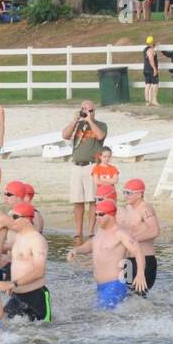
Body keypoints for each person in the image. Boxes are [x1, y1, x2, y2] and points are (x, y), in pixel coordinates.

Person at [67, 199, 146, 309]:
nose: (97, 218)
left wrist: (140, 274)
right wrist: (76, 250)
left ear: (111, 215)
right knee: (104, 318)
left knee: (100, 317)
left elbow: (138, 252)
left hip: (115, 284)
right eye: (95, 214)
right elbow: (91, 244)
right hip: (101, 286)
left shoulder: (120, 234)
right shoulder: (100, 231)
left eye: (101, 214)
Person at [0, 202, 51, 321]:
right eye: (10, 216)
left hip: (35, 297)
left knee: (41, 334)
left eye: (15, 217)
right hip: (17, 295)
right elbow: (18, 264)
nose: (11, 220)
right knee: (2, 323)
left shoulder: (37, 240)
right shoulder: (19, 237)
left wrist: (14, 283)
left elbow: (39, 271)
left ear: (27, 220)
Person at [63, 99, 106, 240]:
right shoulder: (77, 125)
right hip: (76, 166)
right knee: (78, 201)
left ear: (94, 112)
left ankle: (91, 230)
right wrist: (75, 121)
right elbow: (65, 135)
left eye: (90, 110)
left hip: (92, 165)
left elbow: (100, 136)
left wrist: (90, 121)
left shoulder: (101, 125)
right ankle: (78, 231)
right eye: (84, 110)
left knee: (92, 200)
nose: (87, 112)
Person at [116, 178, 159, 293]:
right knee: (128, 298)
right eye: (124, 192)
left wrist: (133, 239)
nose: (125, 196)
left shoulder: (145, 209)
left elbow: (154, 231)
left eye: (129, 193)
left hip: (146, 259)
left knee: (139, 297)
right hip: (129, 260)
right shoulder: (129, 208)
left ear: (139, 194)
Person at [141, 36, 160, 104]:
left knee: (147, 84)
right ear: (152, 42)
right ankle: (154, 100)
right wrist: (155, 69)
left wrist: (155, 45)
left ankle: (147, 101)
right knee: (155, 84)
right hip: (151, 69)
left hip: (146, 69)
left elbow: (152, 46)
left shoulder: (145, 49)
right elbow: (151, 60)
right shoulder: (151, 50)